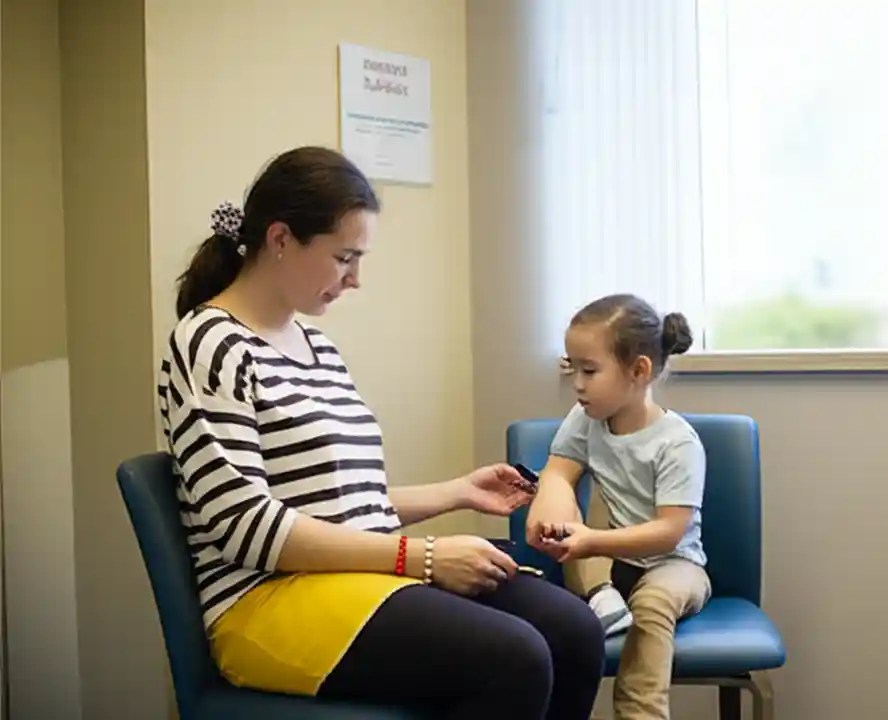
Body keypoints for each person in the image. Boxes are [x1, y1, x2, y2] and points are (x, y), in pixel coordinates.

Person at [158, 146, 604, 719]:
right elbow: (248, 528)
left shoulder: (316, 346)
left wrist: (458, 493)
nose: (355, 279)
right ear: (280, 239)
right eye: (344, 257)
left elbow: (336, 504)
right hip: (265, 602)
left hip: (352, 580)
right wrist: (422, 558)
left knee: (575, 632)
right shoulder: (209, 343)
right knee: (514, 657)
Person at [524, 294, 708, 720]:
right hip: (613, 562)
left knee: (654, 604)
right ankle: (602, 596)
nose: (578, 384)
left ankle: (640, 714)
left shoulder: (677, 444)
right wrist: (551, 514)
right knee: (571, 542)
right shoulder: (585, 418)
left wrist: (593, 540)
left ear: (639, 371)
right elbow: (557, 473)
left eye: (590, 370)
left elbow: (669, 531)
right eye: (573, 368)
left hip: (674, 564)